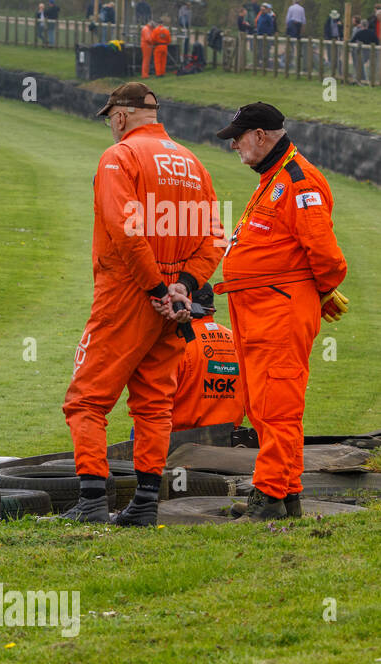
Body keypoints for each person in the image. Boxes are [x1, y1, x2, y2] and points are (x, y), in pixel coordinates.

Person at [62, 83, 223, 525]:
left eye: (110, 118)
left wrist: (155, 290)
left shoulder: (119, 157)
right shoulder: (193, 163)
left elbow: (125, 230)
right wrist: (184, 288)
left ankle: (92, 501)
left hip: (130, 296)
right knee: (154, 405)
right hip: (177, 305)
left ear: (119, 116)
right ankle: (145, 505)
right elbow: (214, 239)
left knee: (86, 401)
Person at [214, 102, 349, 520]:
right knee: (263, 404)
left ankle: (268, 495)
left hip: (279, 310)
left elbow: (327, 258)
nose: (234, 144)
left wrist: (321, 292)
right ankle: (286, 494)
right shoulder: (275, 177)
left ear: (260, 136)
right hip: (261, 309)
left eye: (238, 136)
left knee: (277, 405)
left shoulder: (298, 180)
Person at [170, 285, 246, 432]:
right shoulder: (235, 339)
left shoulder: (177, 343)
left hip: (182, 444)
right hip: (232, 439)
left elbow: (156, 400)